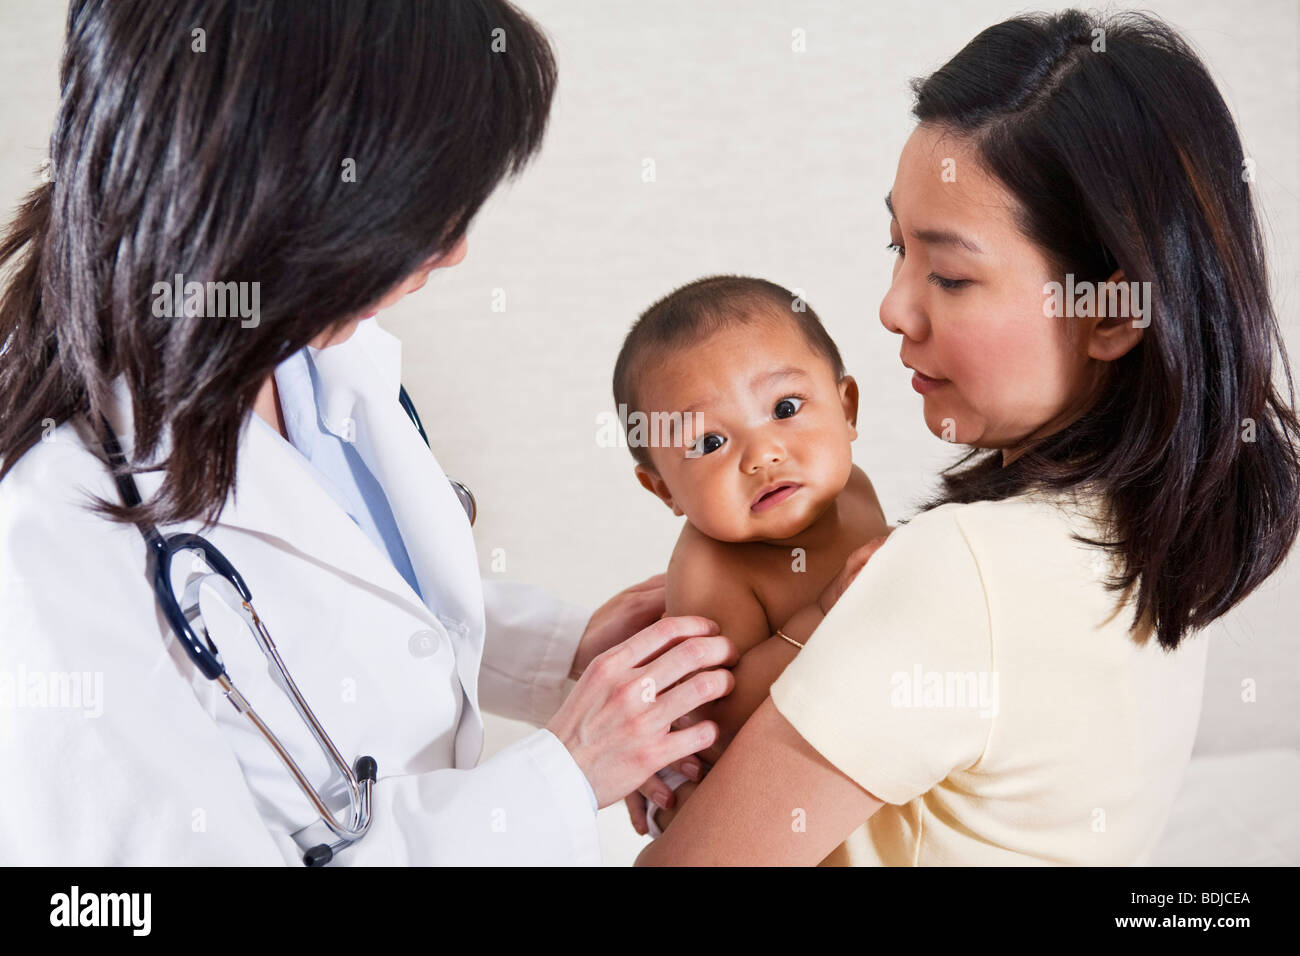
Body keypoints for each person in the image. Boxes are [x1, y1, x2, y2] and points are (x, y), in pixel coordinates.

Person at [0, 0, 736, 865]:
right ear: (282, 203)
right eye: (423, 210)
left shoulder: (310, 362)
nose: (455, 250)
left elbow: (353, 596)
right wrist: (564, 777)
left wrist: (563, 652)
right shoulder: (49, 547)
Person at [637, 9, 1300, 866]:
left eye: (950, 274)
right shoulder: (1164, 526)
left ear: (1112, 312)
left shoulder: (963, 571)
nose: (892, 309)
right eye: (896, 247)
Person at [609, 276, 889, 837]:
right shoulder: (711, 571)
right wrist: (823, 613)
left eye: (785, 407)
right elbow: (718, 716)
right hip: (746, 795)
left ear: (846, 407)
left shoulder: (851, 486)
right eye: (709, 443)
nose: (762, 455)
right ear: (665, 490)